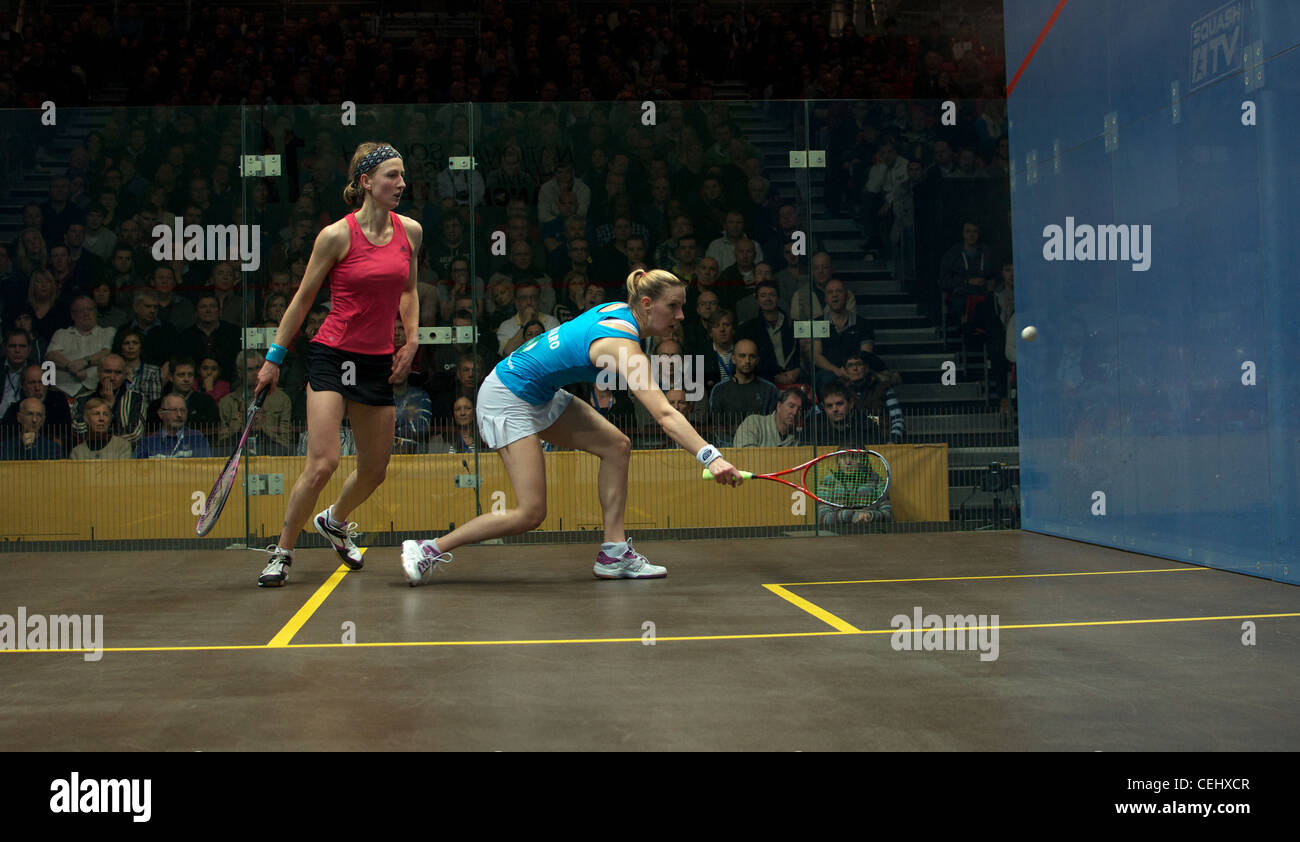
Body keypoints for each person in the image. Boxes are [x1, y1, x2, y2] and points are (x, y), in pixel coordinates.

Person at [401, 268, 745, 586]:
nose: (680, 316)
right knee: (531, 513)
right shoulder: (623, 346)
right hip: (506, 396)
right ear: (646, 303)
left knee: (616, 446)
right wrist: (711, 456)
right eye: (673, 307)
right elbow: (665, 415)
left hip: (539, 393)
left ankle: (613, 553)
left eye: (682, 307)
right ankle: (428, 548)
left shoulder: (619, 312)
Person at [252, 142, 421, 588]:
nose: (401, 183)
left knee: (375, 469)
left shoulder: (412, 232)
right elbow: (304, 298)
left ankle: (334, 519)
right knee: (324, 461)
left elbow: (408, 290)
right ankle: (283, 551)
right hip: (331, 354)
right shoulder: (335, 236)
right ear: (366, 182)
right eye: (391, 175)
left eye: (402, 175)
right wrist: (273, 359)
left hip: (376, 360)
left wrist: (412, 337)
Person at [134, 393, 213, 458]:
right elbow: (138, 472)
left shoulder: (197, 438)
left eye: (182, 410)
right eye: (173, 410)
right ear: (161, 414)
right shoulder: (147, 442)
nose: (179, 415)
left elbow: (203, 470)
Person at [732, 388, 805, 448]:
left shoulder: (800, 437)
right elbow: (745, 456)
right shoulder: (753, 423)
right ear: (779, 406)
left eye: (799, 409)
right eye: (791, 406)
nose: (795, 412)